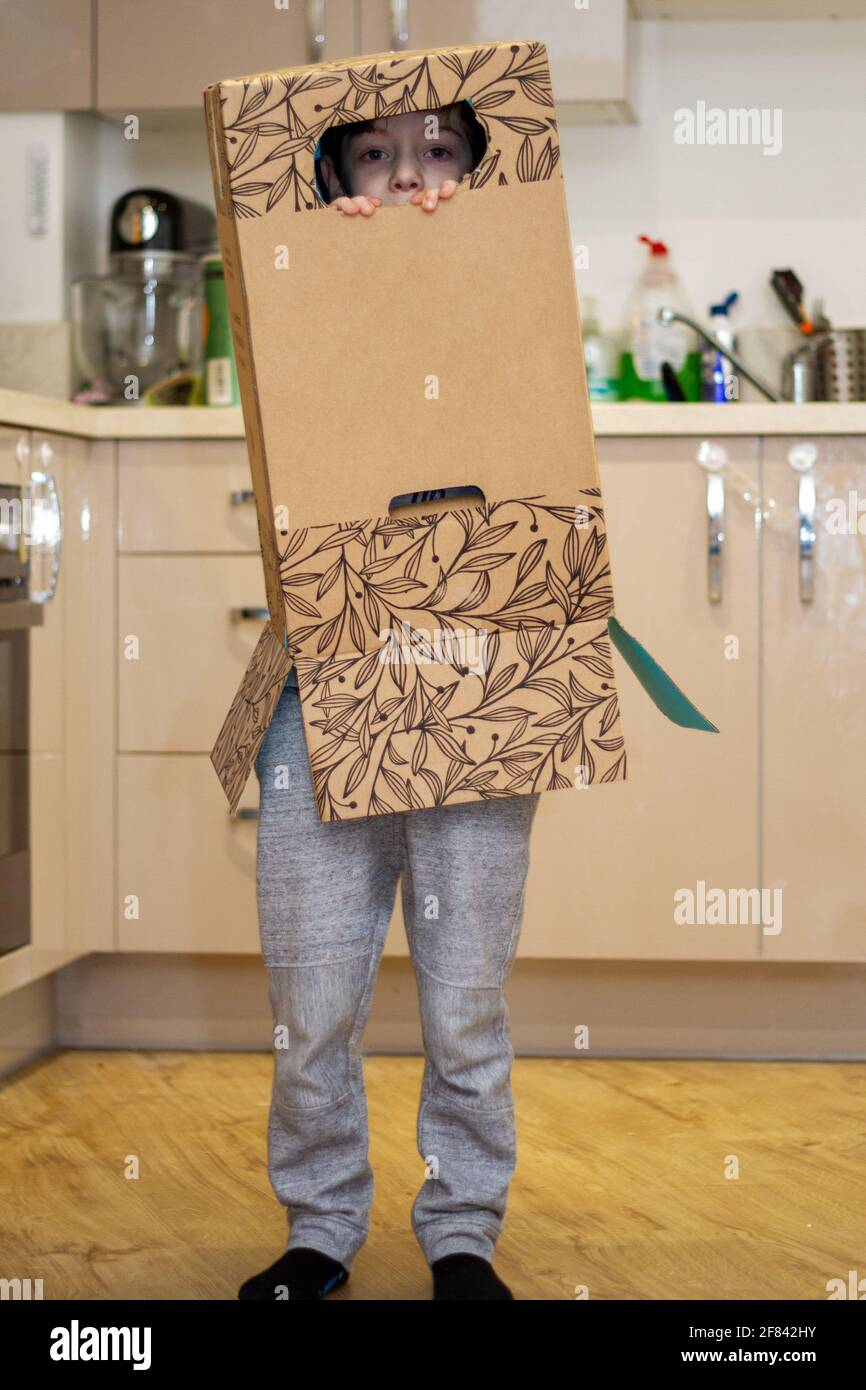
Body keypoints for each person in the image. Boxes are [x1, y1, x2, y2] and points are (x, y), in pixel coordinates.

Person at [239, 101, 541, 1303]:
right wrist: (333, 272)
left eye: (438, 150)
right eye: (371, 152)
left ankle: (459, 1233)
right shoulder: (297, 294)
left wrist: (466, 271)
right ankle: (320, 1230)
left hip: (481, 681)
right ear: (328, 174)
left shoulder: (516, 302)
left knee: (464, 993)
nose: (407, 176)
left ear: (483, 166)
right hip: (323, 676)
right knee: (308, 992)